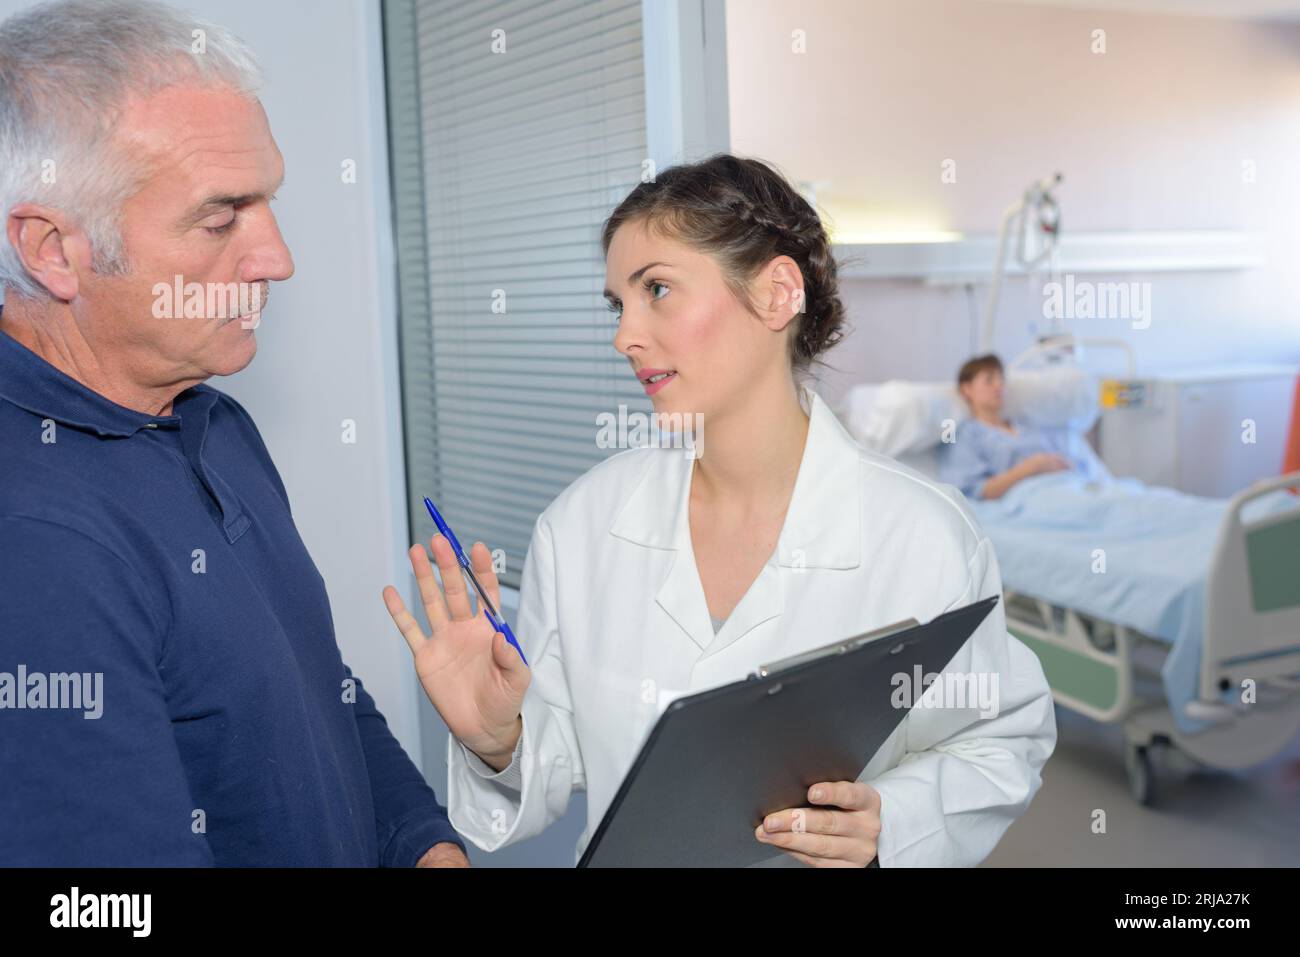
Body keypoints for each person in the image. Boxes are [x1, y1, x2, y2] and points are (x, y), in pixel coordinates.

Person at [383, 154, 1057, 867]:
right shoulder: (581, 526)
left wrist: (893, 820)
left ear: (776, 294)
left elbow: (1000, 738)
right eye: (620, 304)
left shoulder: (922, 534)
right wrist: (500, 739)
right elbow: (562, 759)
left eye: (659, 289)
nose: (624, 337)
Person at [0, 0, 465, 867]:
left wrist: (424, 842)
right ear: (54, 250)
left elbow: (313, 690)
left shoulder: (210, 419)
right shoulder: (32, 537)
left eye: (268, 204)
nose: (277, 257)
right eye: (222, 219)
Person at [940, 354, 1109, 501]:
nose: (999, 385)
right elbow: (973, 491)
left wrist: (1063, 464)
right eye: (989, 380)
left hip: (1070, 486)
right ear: (966, 389)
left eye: (1001, 379)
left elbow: (1073, 462)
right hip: (1030, 499)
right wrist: (1031, 468)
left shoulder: (1027, 425)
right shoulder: (966, 434)